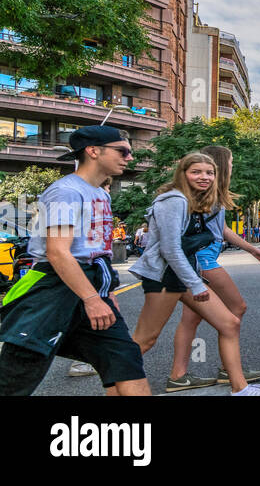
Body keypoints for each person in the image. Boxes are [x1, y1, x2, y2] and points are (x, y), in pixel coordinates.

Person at [0, 126, 150, 396]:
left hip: (90, 287)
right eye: (123, 150)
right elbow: (58, 252)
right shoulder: (66, 191)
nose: (129, 157)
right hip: (52, 293)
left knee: (125, 360)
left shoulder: (101, 193)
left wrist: (105, 293)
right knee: (16, 377)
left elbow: (96, 251)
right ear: (93, 151)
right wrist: (92, 299)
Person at [130, 152, 260, 395]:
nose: (204, 177)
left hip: (184, 272)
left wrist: (250, 250)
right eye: (196, 172)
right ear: (183, 173)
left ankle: (241, 389)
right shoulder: (173, 200)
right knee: (145, 339)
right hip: (164, 276)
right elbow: (169, 249)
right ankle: (115, 380)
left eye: (209, 173)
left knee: (229, 323)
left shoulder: (198, 201)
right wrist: (197, 284)